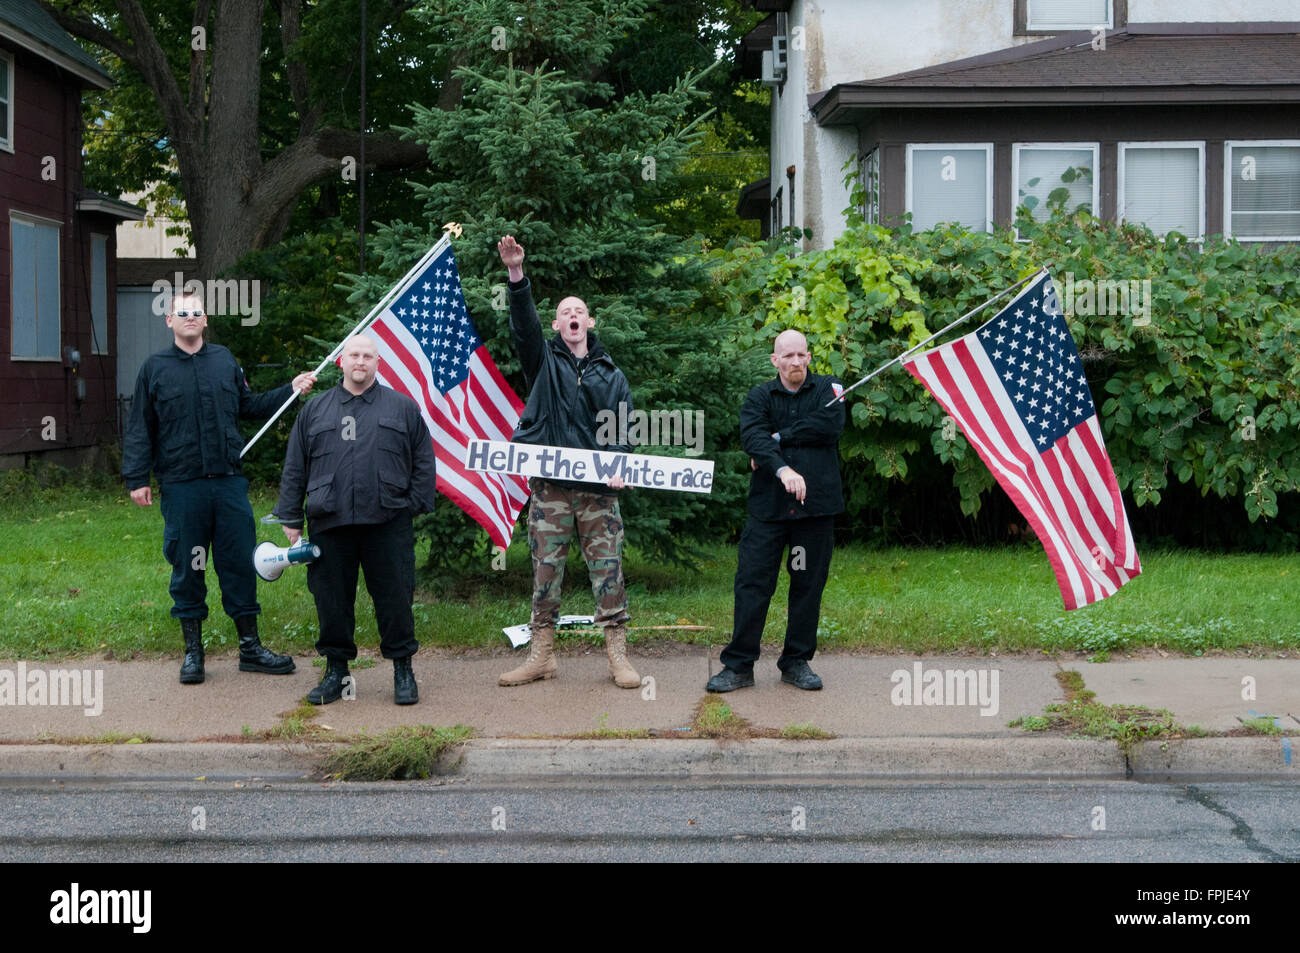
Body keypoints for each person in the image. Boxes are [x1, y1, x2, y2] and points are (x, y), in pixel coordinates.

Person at [123, 291, 316, 684]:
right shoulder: (154, 369)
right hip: (183, 488)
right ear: (170, 320)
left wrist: (290, 389)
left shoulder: (224, 360)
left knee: (238, 564)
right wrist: (136, 478)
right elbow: (140, 427)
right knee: (190, 565)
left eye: (196, 312)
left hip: (228, 486)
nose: (189, 317)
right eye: (182, 312)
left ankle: (251, 648)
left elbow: (250, 406)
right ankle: (194, 654)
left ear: (205, 319)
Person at [495, 234, 640, 689]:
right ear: (556, 325)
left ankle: (618, 657)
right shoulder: (543, 362)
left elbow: (624, 431)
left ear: (589, 321)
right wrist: (517, 275)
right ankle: (542, 658)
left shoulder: (611, 374)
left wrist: (620, 465)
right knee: (545, 569)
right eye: (565, 313)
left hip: (598, 494)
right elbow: (522, 326)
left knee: (608, 569)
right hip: (551, 489)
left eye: (579, 311)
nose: (573, 316)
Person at [271, 333, 437, 705]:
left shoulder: (402, 408)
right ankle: (336, 673)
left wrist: (411, 505)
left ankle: (403, 670)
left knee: (395, 598)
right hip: (331, 522)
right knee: (332, 600)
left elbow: (424, 462)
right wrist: (291, 515)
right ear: (340, 362)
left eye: (368, 356)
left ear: (378, 363)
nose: (360, 362)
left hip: (387, 522)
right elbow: (296, 466)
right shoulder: (315, 410)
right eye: (354, 355)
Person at [706, 329, 845, 693]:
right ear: (775, 360)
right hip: (768, 514)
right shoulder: (759, 397)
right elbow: (752, 439)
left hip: (813, 515)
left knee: (806, 586)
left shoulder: (830, 390)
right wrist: (782, 468)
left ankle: (796, 662)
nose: (795, 362)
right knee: (753, 585)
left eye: (801, 355)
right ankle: (738, 666)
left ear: (809, 357)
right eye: (788, 356)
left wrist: (778, 437)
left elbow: (828, 427)